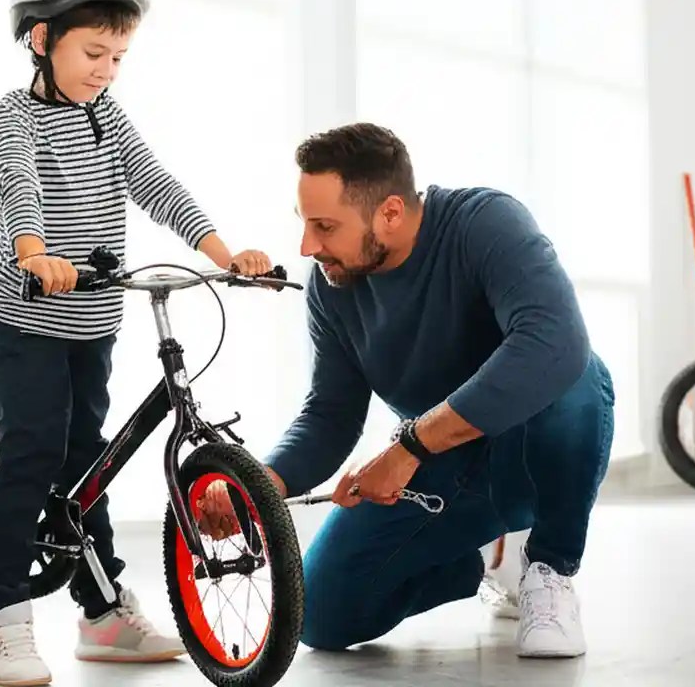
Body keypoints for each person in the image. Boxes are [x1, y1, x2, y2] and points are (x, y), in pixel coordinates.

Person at [198, 122, 615, 658]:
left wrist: (409, 447)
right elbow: (330, 414)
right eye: (303, 224)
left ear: (390, 213)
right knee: (319, 615)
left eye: (324, 226)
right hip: (445, 462)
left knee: (569, 374)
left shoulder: (485, 223)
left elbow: (552, 341)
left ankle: (550, 567)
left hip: (526, 441)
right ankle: (490, 561)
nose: (307, 246)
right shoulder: (333, 288)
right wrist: (259, 485)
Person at [0, 0, 274, 684]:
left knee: (89, 468)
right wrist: (35, 252)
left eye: (118, 57)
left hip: (91, 325)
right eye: (93, 54)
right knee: (35, 453)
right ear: (41, 39)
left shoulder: (108, 115)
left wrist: (225, 254)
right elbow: (16, 183)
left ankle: (102, 613)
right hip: (25, 323)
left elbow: (155, 183)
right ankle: (3, 623)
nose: (106, 71)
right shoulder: (11, 115)